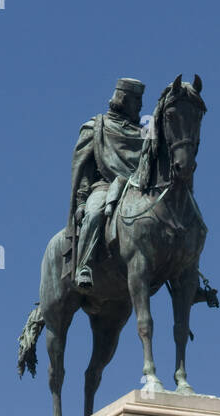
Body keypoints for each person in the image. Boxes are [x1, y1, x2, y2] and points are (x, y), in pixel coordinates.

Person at [67, 78, 146, 289]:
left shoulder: (144, 133)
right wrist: (82, 202)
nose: (140, 105)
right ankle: (85, 265)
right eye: (136, 100)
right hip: (104, 187)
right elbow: (83, 168)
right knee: (94, 215)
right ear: (123, 99)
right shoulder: (96, 126)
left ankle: (185, 279)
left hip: (138, 188)